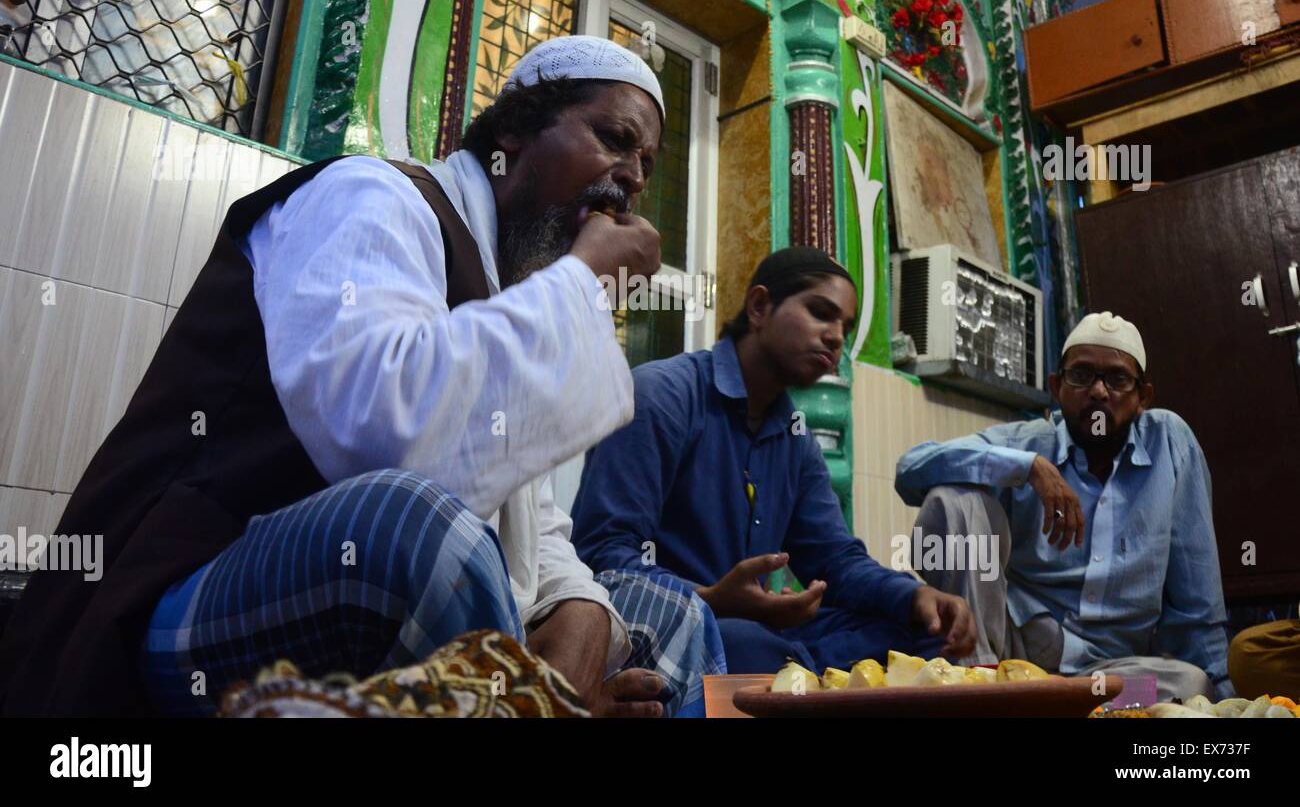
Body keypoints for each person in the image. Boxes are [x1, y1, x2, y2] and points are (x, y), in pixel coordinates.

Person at [0, 35, 723, 717]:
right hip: (172, 602)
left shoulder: (499, 292)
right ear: (515, 133)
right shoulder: (371, 198)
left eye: (647, 165)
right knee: (415, 528)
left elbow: (532, 524)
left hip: (427, 614)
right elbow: (388, 439)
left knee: (674, 614)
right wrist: (578, 282)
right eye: (614, 139)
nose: (631, 178)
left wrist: (578, 615)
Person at [571, 247, 976, 676]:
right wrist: (709, 598)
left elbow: (835, 560)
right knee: (748, 645)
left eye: (845, 326)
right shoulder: (663, 395)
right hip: (673, 623)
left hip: (760, 633)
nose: (836, 336)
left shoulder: (795, 438)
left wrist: (912, 597)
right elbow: (604, 559)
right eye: (821, 313)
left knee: (920, 637)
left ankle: (794, 676)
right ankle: (795, 676)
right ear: (760, 307)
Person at [895, 311, 1232, 701]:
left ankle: (1037, 704)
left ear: (1143, 398)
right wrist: (1026, 467)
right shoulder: (1027, 444)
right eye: (1082, 376)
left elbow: (1198, 595)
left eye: (1118, 379)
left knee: (1191, 685)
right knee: (955, 498)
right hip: (1007, 652)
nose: (1099, 392)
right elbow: (911, 467)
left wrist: (1224, 696)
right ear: (1057, 387)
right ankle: (976, 686)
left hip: (1108, 674)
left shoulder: (1169, 442)